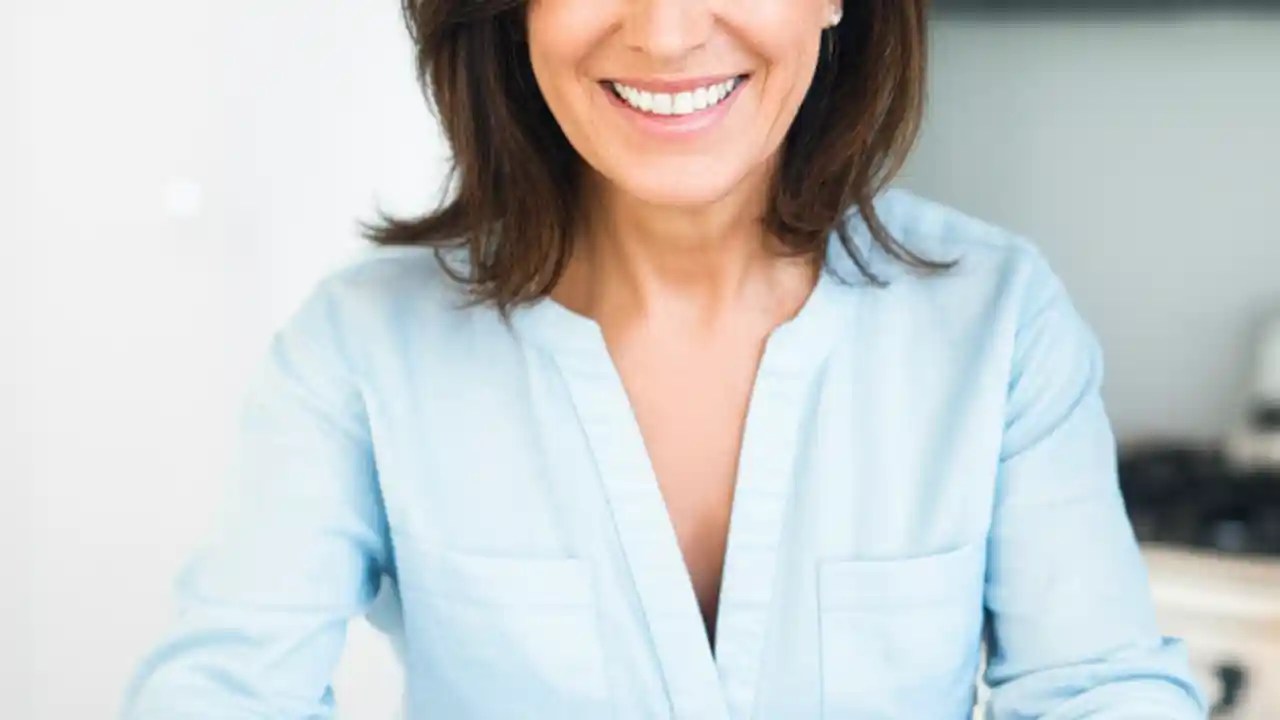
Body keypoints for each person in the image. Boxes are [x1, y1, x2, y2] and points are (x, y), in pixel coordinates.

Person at [122, 0, 1206, 717]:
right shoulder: (358, 350)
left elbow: (1099, 690)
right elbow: (221, 691)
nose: (668, 30)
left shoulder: (997, 322)